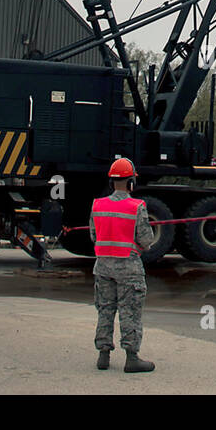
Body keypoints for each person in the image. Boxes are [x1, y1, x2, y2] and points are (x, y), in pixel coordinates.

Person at [89, 157, 156, 373]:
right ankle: (132, 357)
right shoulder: (137, 207)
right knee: (130, 311)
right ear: (131, 183)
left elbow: (93, 235)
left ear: (111, 182)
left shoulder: (97, 205)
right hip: (129, 268)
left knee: (105, 310)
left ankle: (103, 355)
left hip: (102, 267)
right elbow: (146, 241)